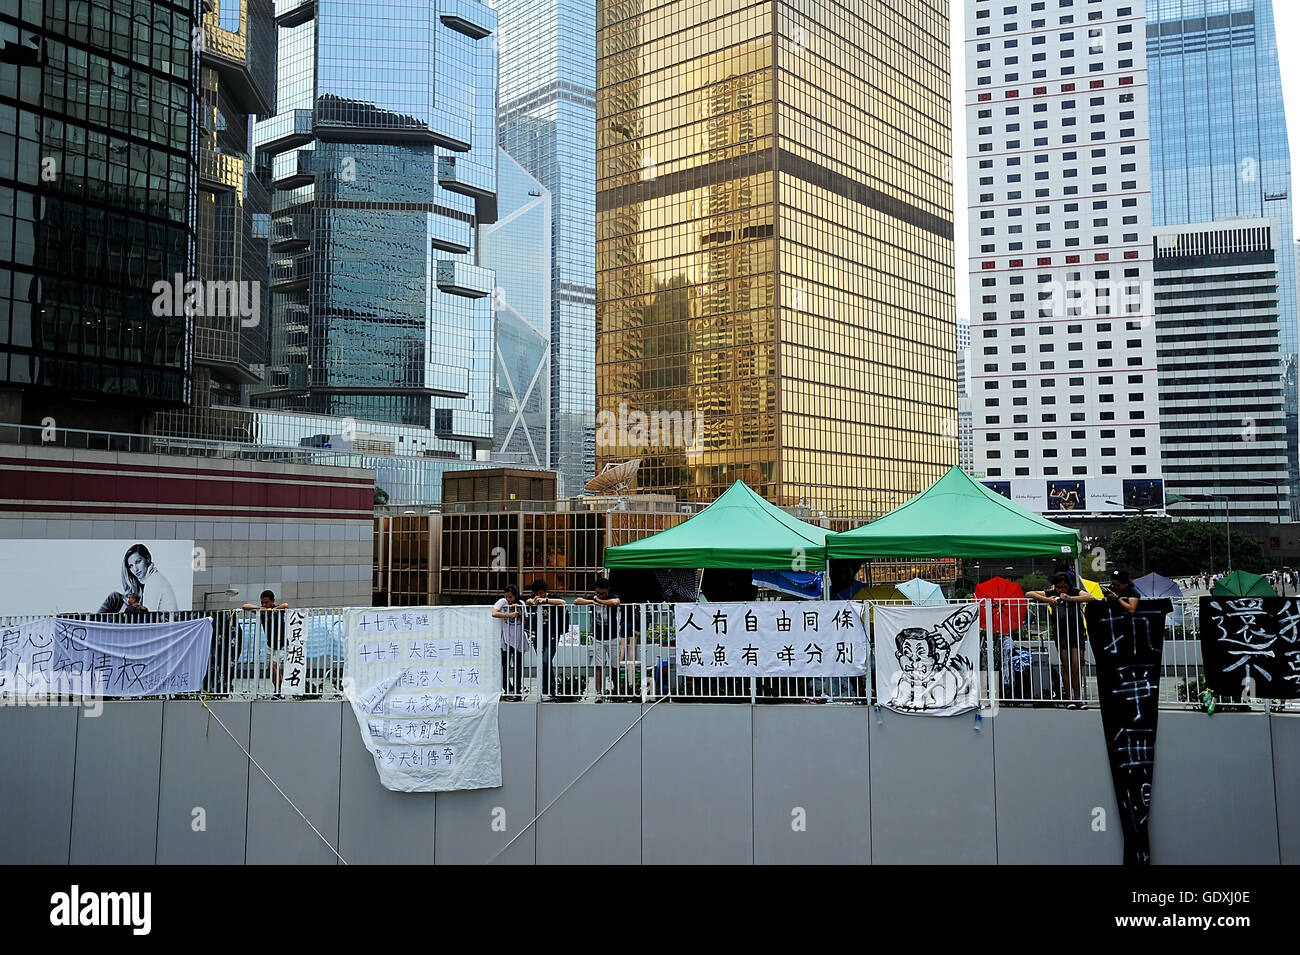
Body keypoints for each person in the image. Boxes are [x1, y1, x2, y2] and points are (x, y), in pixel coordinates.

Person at [1027, 573, 1095, 709]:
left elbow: (1090, 597)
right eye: (1058, 587)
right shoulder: (1052, 592)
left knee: (1076, 666)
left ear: (1069, 585)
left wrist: (1070, 598)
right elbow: (1029, 593)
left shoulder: (1074, 591)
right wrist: (1048, 600)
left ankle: (1078, 697)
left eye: (1064, 586)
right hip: (1061, 632)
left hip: (1076, 632)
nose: (1061, 589)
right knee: (1066, 667)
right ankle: (1069, 698)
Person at [574, 576, 622, 702]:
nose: (600, 595)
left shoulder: (612, 596)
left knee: (615, 666)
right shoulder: (593, 597)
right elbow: (577, 601)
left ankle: (616, 691)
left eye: (603, 593)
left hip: (613, 637)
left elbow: (615, 602)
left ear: (608, 590)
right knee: (598, 666)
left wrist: (599, 601)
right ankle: (599, 693)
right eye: (598, 593)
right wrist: (592, 601)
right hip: (598, 637)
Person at [525, 579, 566, 701]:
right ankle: (549, 690)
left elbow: (563, 602)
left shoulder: (552, 597)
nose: (538, 596)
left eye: (541, 593)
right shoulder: (534, 598)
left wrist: (545, 601)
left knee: (545, 661)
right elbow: (526, 601)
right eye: (536, 593)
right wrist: (533, 601)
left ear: (546, 592)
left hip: (552, 635)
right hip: (538, 636)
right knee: (544, 663)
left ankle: (548, 689)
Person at [243, 590, 290, 696]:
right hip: (270, 644)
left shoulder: (277, 610)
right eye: (262, 602)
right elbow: (245, 606)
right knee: (271, 668)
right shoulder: (261, 611)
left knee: (274, 666)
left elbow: (286, 605)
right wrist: (260, 609)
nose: (264, 604)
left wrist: (272, 610)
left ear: (273, 601)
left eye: (267, 602)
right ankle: (277, 689)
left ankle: (280, 691)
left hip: (281, 644)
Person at [492, 584, 527, 701]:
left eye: (510, 597)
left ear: (516, 596)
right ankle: (508, 689)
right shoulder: (503, 602)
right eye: (506, 596)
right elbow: (494, 613)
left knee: (518, 666)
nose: (508, 599)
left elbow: (525, 619)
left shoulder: (521, 604)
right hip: (506, 639)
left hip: (518, 639)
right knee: (505, 665)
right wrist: (509, 614)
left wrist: (519, 611)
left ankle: (517, 690)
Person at [122, 543, 178, 613]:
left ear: (147, 559)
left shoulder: (153, 581)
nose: (135, 569)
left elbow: (147, 617)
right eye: (131, 566)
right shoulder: (153, 578)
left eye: (138, 562)